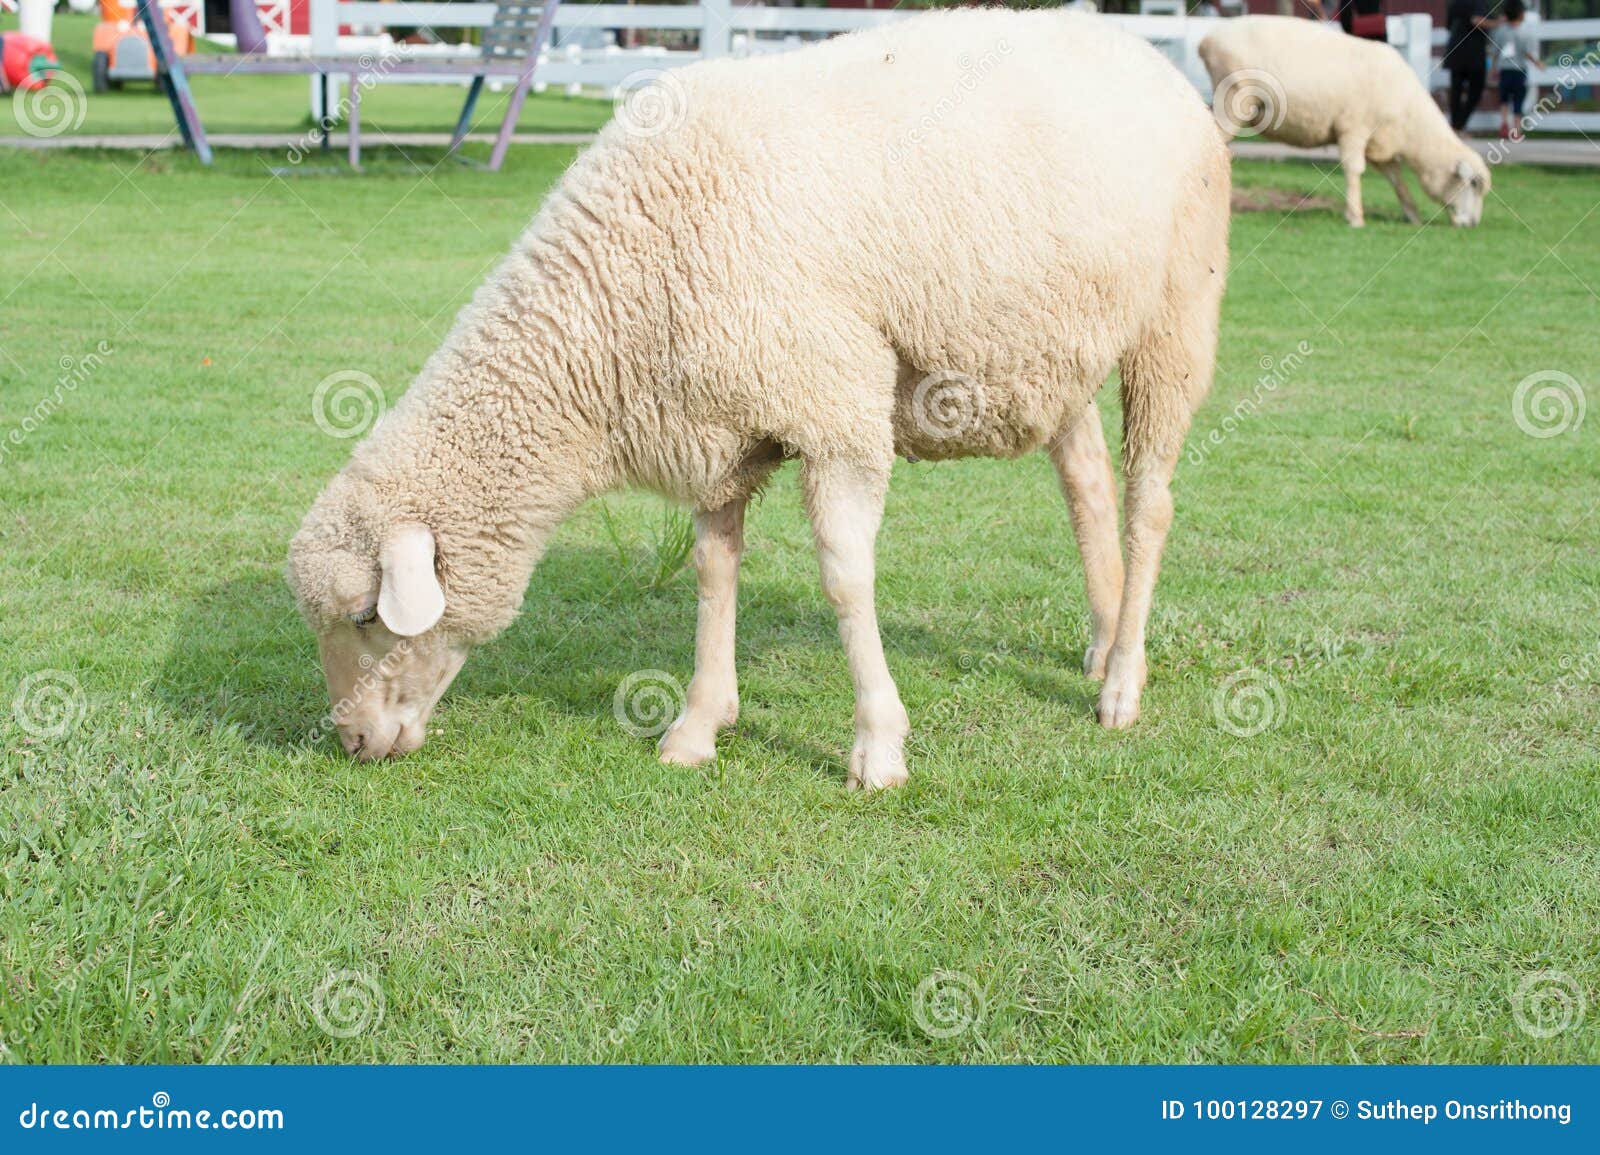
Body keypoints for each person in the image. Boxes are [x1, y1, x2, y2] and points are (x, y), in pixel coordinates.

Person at [1445, 0, 1501, 135]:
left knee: (1456, 91)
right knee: (1476, 90)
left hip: (1455, 49)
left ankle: (1455, 125)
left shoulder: (1455, 3)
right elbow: (1476, 20)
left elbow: (1448, 25)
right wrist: (1496, 23)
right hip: (1473, 53)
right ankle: (1458, 125)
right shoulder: (1478, 2)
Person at [1491, 0, 1544, 140]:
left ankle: (1503, 123)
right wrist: (1538, 63)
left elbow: (1495, 52)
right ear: (1521, 14)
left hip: (1504, 70)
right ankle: (1516, 130)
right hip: (1519, 70)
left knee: (1504, 99)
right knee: (1518, 101)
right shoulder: (1525, 32)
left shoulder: (1500, 31)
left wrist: (1493, 69)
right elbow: (1528, 53)